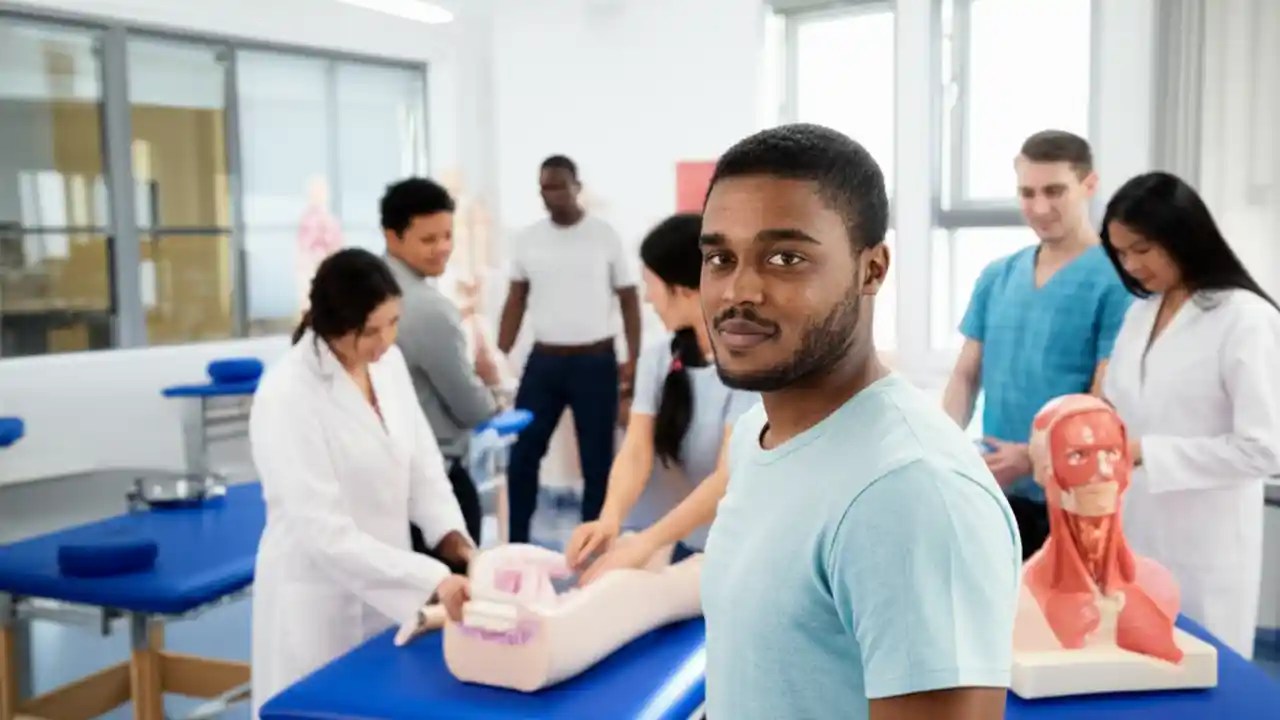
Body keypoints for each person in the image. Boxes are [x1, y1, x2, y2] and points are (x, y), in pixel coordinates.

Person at [698, 123, 1021, 719]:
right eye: (720, 258)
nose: (738, 291)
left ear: (871, 270)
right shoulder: (757, 436)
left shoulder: (910, 490)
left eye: (786, 258)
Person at [249, 248, 475, 716]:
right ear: (333, 325)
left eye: (393, 323)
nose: (386, 341)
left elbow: (423, 468)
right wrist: (434, 577)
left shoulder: (387, 366)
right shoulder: (287, 394)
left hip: (386, 589)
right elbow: (324, 534)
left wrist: (455, 542)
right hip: (318, 600)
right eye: (370, 331)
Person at [1099, 171, 1280, 659]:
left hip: (1208, 544)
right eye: (1121, 253)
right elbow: (1120, 402)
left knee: (1205, 670)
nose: (1131, 265)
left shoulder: (1246, 319)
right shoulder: (1141, 313)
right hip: (1135, 530)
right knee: (1135, 669)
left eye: (1142, 249)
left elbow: (1264, 449)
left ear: (1183, 236)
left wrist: (1146, 453)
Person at [942, 130, 1132, 560]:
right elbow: (966, 375)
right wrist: (942, 447)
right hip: (994, 491)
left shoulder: (1117, 281)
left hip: (1072, 498)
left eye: (1054, 191)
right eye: (1027, 193)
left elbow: (1102, 401)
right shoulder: (997, 275)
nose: (1039, 207)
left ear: (1089, 185)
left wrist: (1032, 456)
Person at [562, 213, 758, 582]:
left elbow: (726, 478)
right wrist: (609, 519)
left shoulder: (752, 367)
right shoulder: (658, 358)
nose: (648, 298)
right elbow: (636, 450)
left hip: (735, 558)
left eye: (650, 284)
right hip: (681, 546)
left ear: (685, 290)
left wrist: (647, 543)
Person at [497, 155, 643, 542]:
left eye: (559, 185)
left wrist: (634, 357)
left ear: (577, 187)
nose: (551, 194)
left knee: (597, 462)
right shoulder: (528, 240)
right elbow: (515, 301)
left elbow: (629, 299)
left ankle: (591, 547)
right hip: (544, 363)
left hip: (596, 362)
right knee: (523, 454)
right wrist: (498, 355)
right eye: (544, 187)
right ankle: (516, 542)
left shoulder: (604, 235)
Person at [381, 177, 502, 558]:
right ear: (392, 237)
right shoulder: (427, 309)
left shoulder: (365, 289)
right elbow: (473, 408)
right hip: (434, 484)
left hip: (383, 487)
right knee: (453, 590)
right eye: (429, 239)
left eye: (448, 236)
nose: (443, 248)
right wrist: (492, 390)